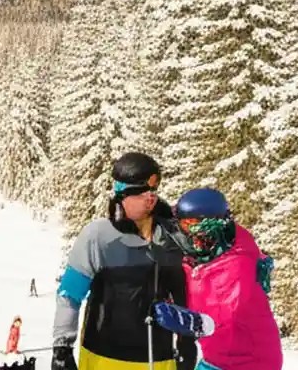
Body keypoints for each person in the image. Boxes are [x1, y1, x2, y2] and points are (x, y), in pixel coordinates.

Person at [51, 152, 195, 370]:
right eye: (140, 192)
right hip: (104, 358)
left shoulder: (170, 238)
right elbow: (69, 295)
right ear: (122, 196)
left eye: (153, 190)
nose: (150, 197)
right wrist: (62, 348)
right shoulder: (98, 236)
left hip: (159, 359)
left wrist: (187, 341)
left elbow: (183, 297)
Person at [172, 188, 282, 370]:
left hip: (248, 363)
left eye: (192, 225)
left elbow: (217, 322)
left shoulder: (235, 267)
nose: (189, 235)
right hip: (219, 358)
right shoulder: (218, 247)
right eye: (184, 225)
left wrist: (180, 318)